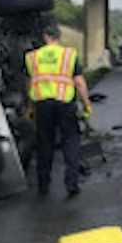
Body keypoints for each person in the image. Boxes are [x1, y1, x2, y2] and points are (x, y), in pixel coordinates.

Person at [25, 25, 93, 197]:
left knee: (44, 143)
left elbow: (29, 84)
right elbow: (79, 82)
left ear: (44, 38)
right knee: (70, 141)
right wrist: (86, 104)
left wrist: (30, 106)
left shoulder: (33, 57)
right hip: (65, 103)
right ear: (58, 37)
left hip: (42, 104)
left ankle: (43, 183)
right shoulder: (68, 55)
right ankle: (71, 183)